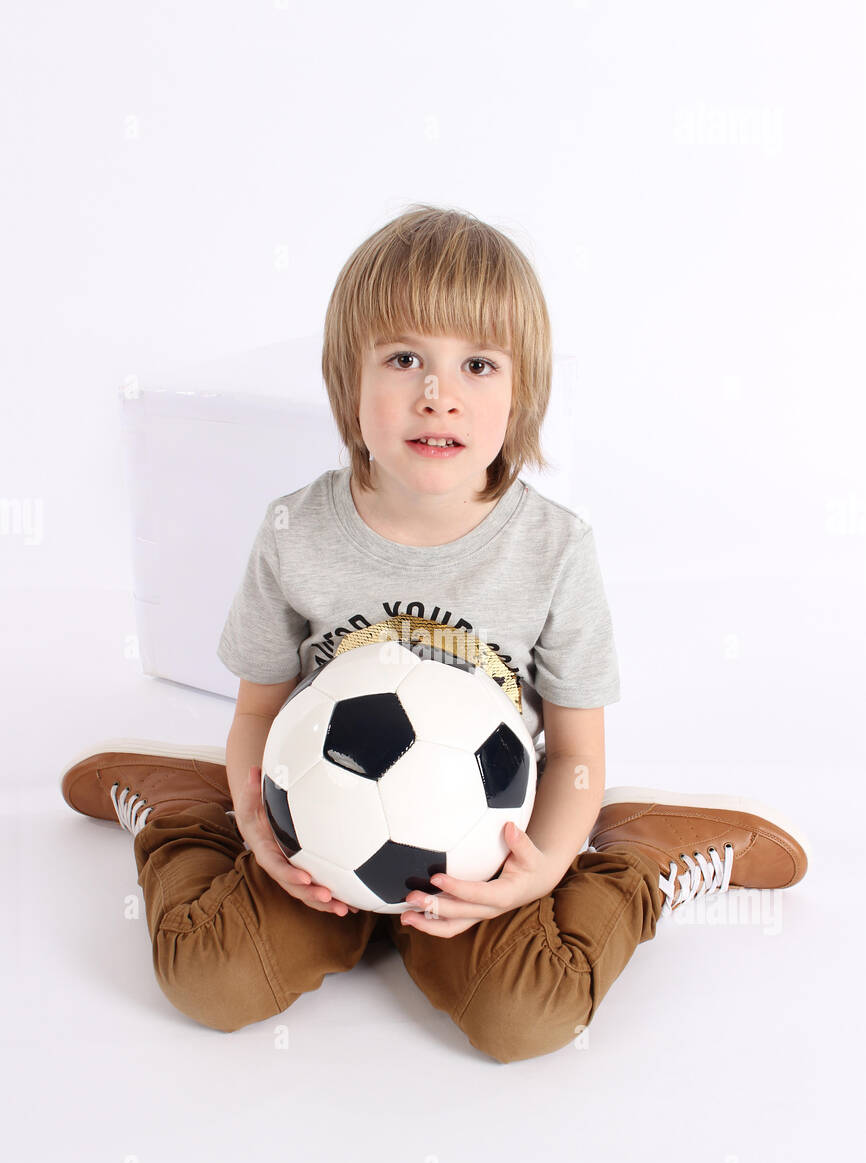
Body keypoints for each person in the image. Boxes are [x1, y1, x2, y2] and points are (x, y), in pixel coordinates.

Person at [59, 205, 809, 1063]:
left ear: (522, 393)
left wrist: (544, 867)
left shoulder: (553, 550)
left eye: (478, 364)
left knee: (531, 1020)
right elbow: (258, 715)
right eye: (404, 357)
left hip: (478, 859)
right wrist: (258, 834)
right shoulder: (295, 533)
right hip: (318, 850)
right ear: (348, 382)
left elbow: (575, 753)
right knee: (210, 982)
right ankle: (188, 815)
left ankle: (639, 858)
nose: (436, 393)